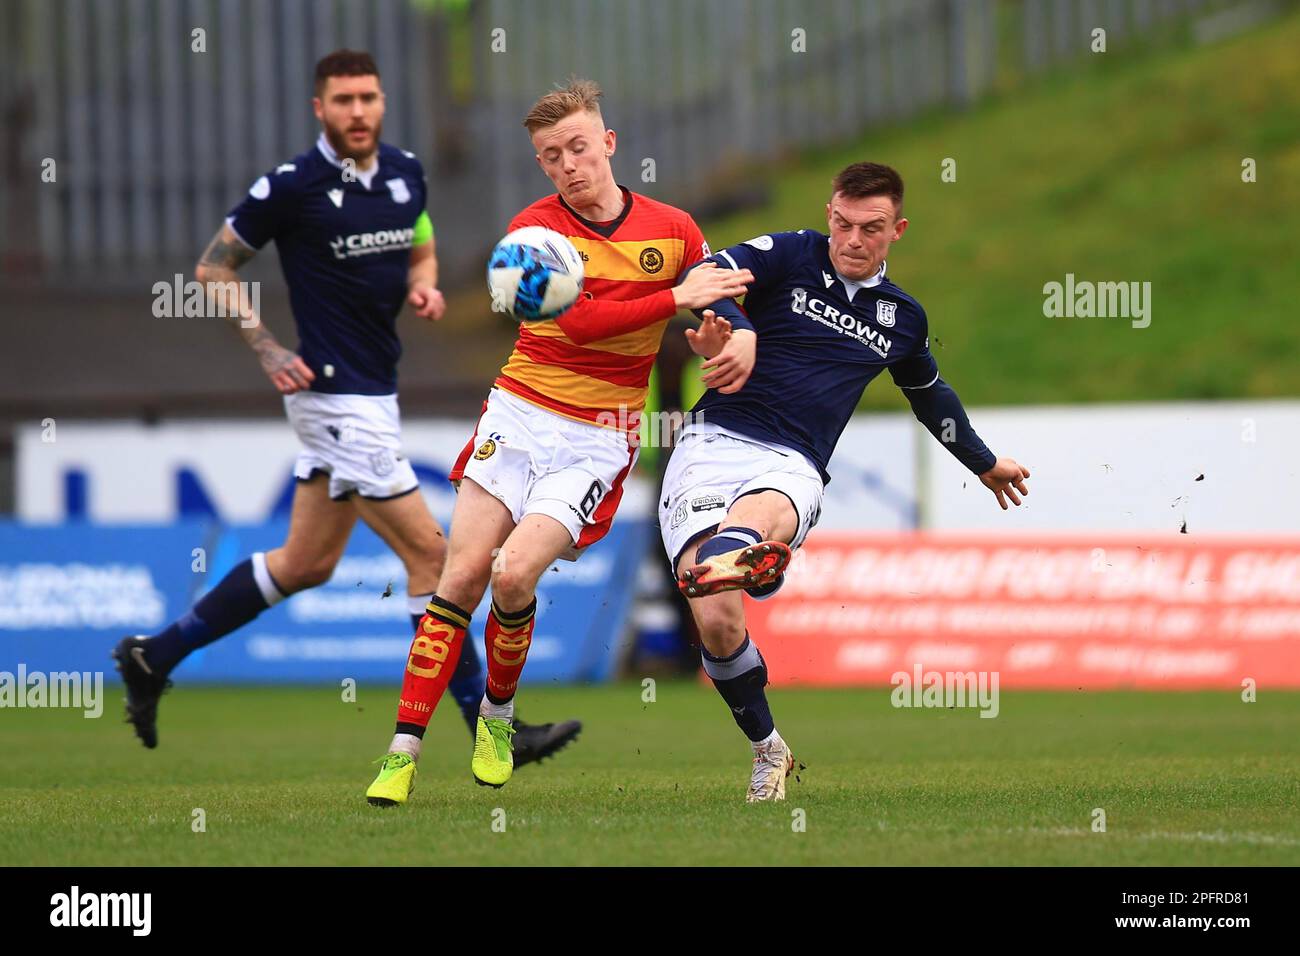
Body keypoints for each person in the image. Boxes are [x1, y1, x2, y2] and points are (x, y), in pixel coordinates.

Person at [112, 50, 580, 769]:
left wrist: (423, 286)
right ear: (319, 110)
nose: (357, 111)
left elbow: (419, 244)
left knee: (304, 564)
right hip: (330, 396)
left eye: (367, 97)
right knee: (432, 555)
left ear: (382, 101)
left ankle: (154, 655)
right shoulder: (292, 187)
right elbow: (213, 267)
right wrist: (267, 346)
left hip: (374, 392)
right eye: (342, 100)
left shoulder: (405, 172)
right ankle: (495, 733)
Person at [363, 78, 752, 803]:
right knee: (460, 576)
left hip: (596, 438)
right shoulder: (533, 233)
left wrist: (722, 338)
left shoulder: (672, 230)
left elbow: (719, 293)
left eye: (579, 147)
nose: (569, 165)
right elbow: (578, 324)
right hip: (518, 413)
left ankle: (498, 720)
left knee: (513, 576)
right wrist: (675, 300)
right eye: (551, 155)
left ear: (608, 144)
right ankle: (401, 752)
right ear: (542, 165)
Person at [659, 161, 1032, 802]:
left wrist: (983, 461)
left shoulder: (902, 318)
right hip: (710, 444)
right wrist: (741, 332)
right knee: (716, 619)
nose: (852, 239)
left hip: (792, 463)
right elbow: (702, 275)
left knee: (746, 525)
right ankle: (767, 747)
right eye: (842, 223)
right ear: (829, 213)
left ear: (897, 230)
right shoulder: (791, 255)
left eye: (870, 228)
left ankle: (742, 551)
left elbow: (930, 395)